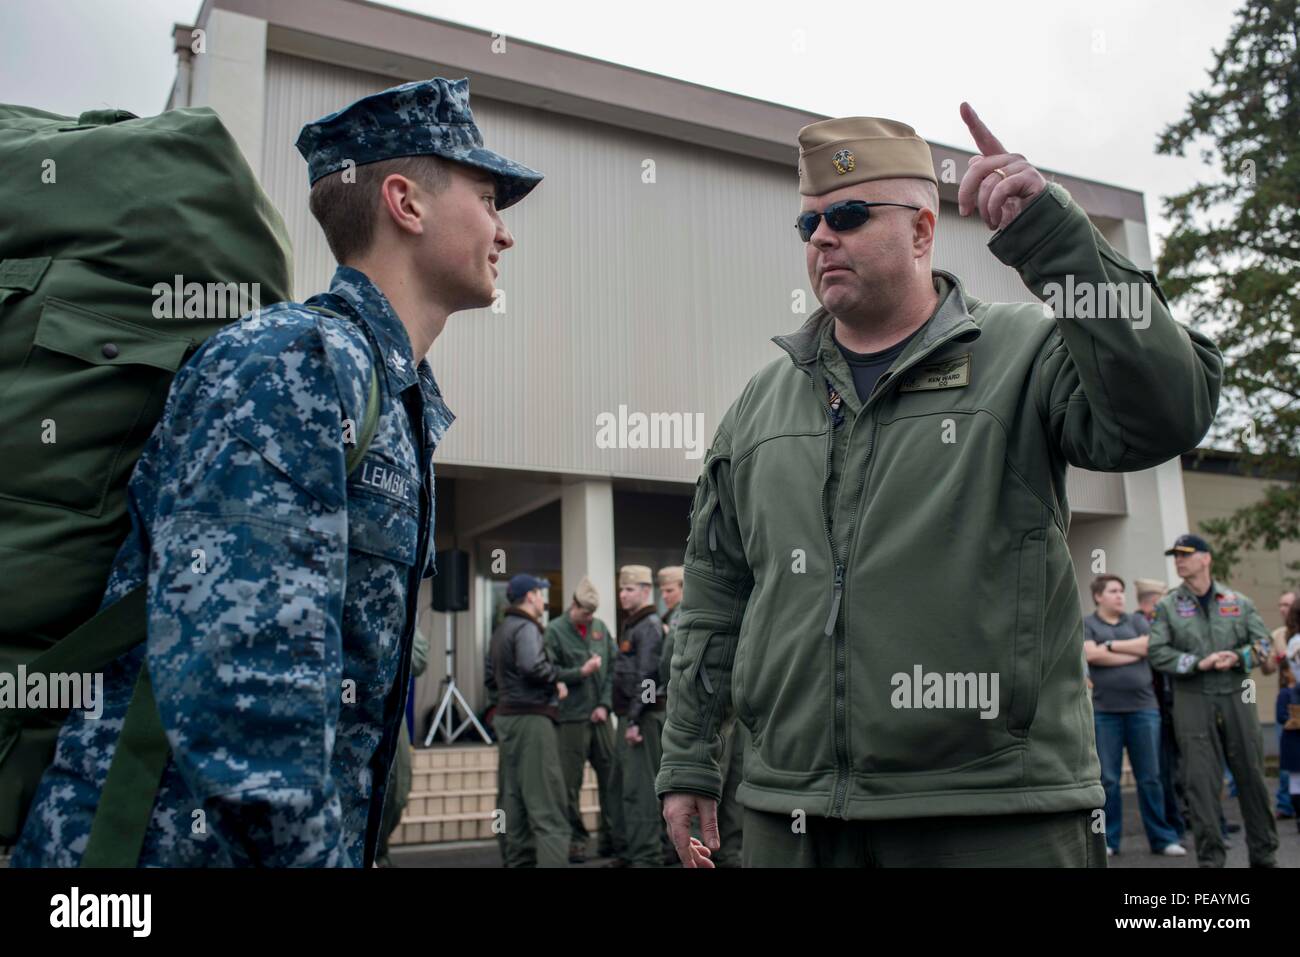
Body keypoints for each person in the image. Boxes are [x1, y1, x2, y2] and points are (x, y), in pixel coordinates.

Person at [656, 105, 1222, 869]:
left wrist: (1057, 245)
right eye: (809, 224)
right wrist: (689, 756)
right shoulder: (761, 404)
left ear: (923, 231)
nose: (823, 236)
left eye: (850, 215)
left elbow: (1168, 412)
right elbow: (714, 595)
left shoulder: (1024, 354)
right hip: (792, 813)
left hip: (992, 813)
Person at [11, 77, 541, 868]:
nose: (506, 233)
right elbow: (249, 698)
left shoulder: (387, 393)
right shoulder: (294, 363)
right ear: (406, 202)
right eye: (490, 199)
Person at [1148, 534, 1279, 868]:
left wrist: (1238, 657)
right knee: (1200, 782)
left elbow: (1264, 644)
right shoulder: (1167, 606)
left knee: (1251, 775)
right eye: (1175, 556)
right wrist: (1197, 663)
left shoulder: (1238, 600)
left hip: (1237, 693)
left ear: (1206, 558)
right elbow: (1157, 652)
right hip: (1192, 696)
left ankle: (1265, 857)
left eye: (1186, 554)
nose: (1179, 561)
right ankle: (1210, 860)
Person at [1083, 575, 1185, 857]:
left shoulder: (1137, 621)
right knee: (1109, 780)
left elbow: (1149, 647)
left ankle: (1163, 839)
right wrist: (1132, 650)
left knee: (1150, 777)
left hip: (1144, 710)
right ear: (1098, 597)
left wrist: (1111, 647)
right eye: (1113, 591)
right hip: (1106, 713)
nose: (1120, 596)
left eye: (1122, 591)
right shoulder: (1088, 624)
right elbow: (1089, 654)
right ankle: (1109, 840)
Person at [485, 573, 571, 868]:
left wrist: (504, 702)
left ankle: (516, 861)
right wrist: (556, 680)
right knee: (548, 804)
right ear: (532, 596)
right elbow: (531, 664)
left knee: (512, 801)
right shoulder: (527, 628)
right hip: (533, 719)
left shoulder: (500, 630)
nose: (543, 599)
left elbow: (489, 678)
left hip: (507, 717)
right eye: (541, 593)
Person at [542, 576, 614, 863]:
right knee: (570, 784)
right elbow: (549, 672)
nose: (590, 617)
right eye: (585, 612)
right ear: (573, 605)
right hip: (571, 718)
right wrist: (579, 672)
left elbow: (613, 672)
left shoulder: (600, 629)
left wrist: (606, 705)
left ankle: (612, 837)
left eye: (593, 613)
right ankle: (576, 840)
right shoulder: (555, 632)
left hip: (600, 717)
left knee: (611, 779)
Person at [609, 565, 667, 867]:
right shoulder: (634, 624)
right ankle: (634, 851)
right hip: (631, 716)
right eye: (621, 589)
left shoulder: (649, 626)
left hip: (642, 718)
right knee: (626, 787)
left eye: (629, 589)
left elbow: (648, 678)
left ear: (647, 591)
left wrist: (633, 719)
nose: (622, 594)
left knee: (641, 789)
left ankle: (647, 857)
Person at [1135, 577, 1188, 841]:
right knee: (1162, 771)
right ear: (1153, 601)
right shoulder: (1139, 623)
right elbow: (1149, 649)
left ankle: (1184, 818)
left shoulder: (1164, 623)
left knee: (1180, 766)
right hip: (1153, 705)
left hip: (1171, 704)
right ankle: (1174, 824)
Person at [377, 627, 431, 867]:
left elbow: (419, 658)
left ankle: (378, 854)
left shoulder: (394, 605)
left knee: (396, 790)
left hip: (387, 711)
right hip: (346, 715)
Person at [1275, 591, 1297, 818]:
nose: (1284, 609)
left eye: (1288, 605)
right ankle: (1285, 804)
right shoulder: (1277, 635)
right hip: (1285, 698)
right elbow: (1258, 672)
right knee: (1287, 752)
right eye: (1280, 605)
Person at [1275, 659, 1300, 832]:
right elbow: (1281, 716)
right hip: (1293, 742)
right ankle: (1298, 814)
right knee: (1295, 781)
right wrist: (1293, 720)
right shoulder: (1285, 693)